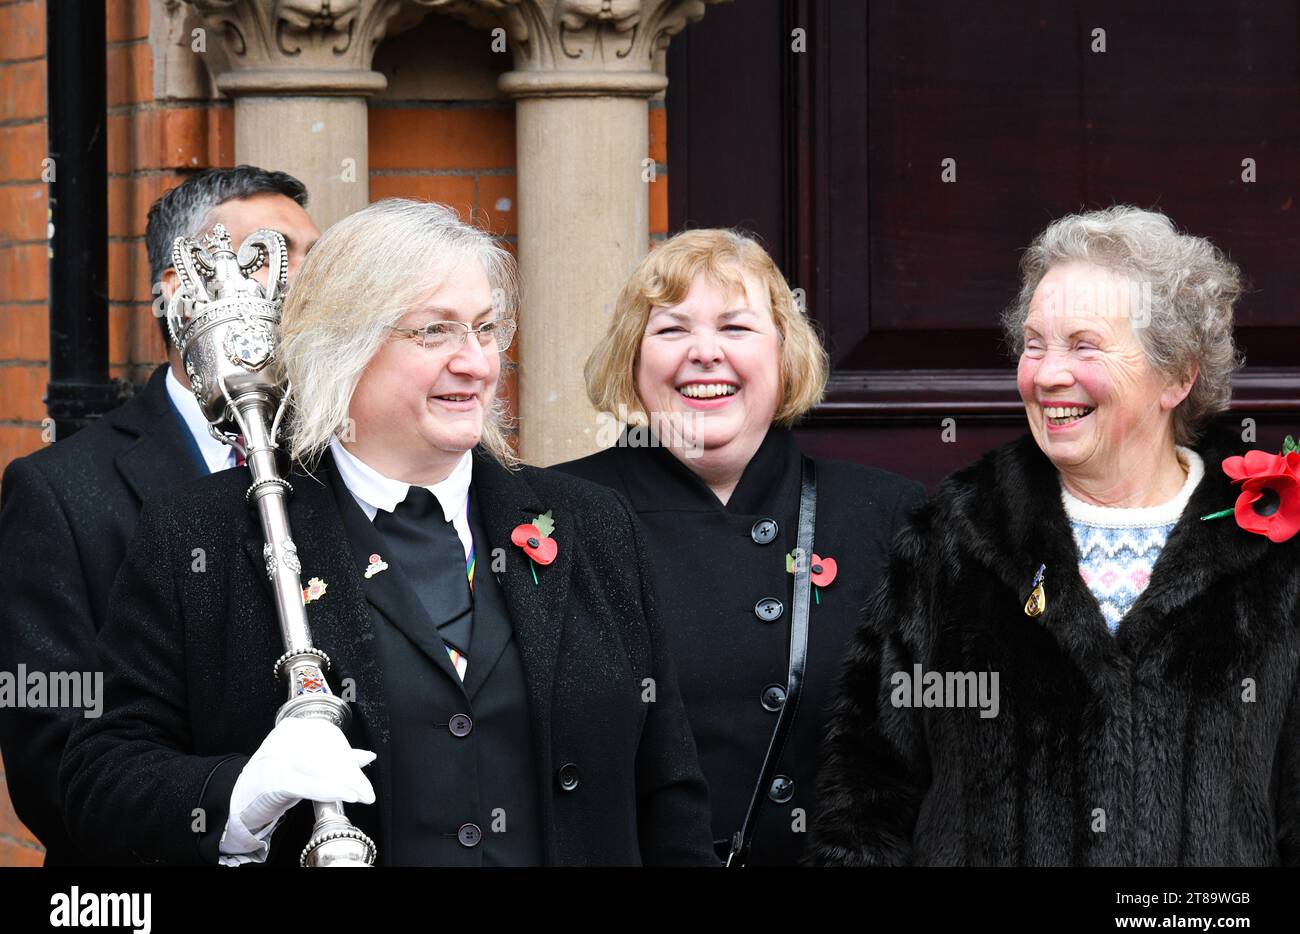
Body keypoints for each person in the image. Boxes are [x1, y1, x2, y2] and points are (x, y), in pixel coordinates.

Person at [59, 198, 716, 867]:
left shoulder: (591, 525)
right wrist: (244, 794)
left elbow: (670, 796)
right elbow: (99, 781)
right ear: (341, 346)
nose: (476, 362)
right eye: (434, 332)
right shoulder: (206, 534)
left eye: (486, 329)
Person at [813, 205, 1300, 866]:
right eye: (1035, 343)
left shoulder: (1270, 552)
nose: (1045, 375)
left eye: (1084, 344)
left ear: (1178, 375)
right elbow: (868, 800)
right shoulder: (959, 536)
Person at [555, 229, 925, 865]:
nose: (705, 354)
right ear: (632, 359)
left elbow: (942, 753)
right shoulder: (551, 514)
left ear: (785, 355)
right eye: (671, 330)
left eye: (737, 328)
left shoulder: (889, 517)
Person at [0, 166, 320, 866]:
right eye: (278, 257)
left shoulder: (332, 466)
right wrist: (238, 809)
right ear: (186, 292)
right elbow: (53, 756)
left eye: (312, 261)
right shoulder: (60, 492)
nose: (306, 287)